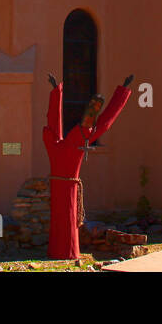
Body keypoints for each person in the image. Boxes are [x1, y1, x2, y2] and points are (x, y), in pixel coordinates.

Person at [42, 71, 133, 259]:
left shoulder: (70, 141)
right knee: (64, 220)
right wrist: (56, 91)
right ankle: (64, 251)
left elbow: (55, 123)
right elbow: (55, 124)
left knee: (65, 220)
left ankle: (63, 251)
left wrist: (57, 92)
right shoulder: (66, 143)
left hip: (65, 186)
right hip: (63, 186)